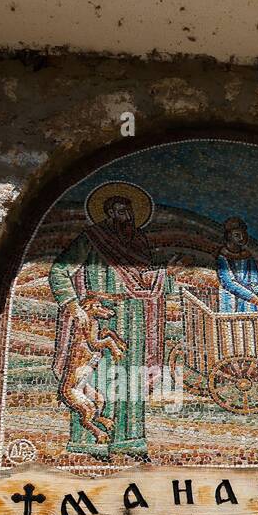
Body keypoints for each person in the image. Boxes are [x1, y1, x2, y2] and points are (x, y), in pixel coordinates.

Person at [48, 181, 177, 459]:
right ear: (108, 214)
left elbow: (142, 279)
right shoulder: (92, 238)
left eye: (128, 211)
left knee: (131, 380)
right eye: (118, 211)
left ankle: (131, 442)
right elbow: (59, 271)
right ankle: (91, 443)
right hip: (98, 316)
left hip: (134, 318)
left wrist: (160, 277)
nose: (125, 216)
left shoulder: (139, 240)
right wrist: (75, 306)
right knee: (94, 379)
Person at [215, 217, 258, 315]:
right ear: (229, 236)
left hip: (250, 308)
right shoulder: (222, 258)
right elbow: (229, 284)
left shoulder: (248, 258)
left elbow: (254, 286)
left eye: (244, 234)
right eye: (237, 235)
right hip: (230, 309)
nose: (241, 238)